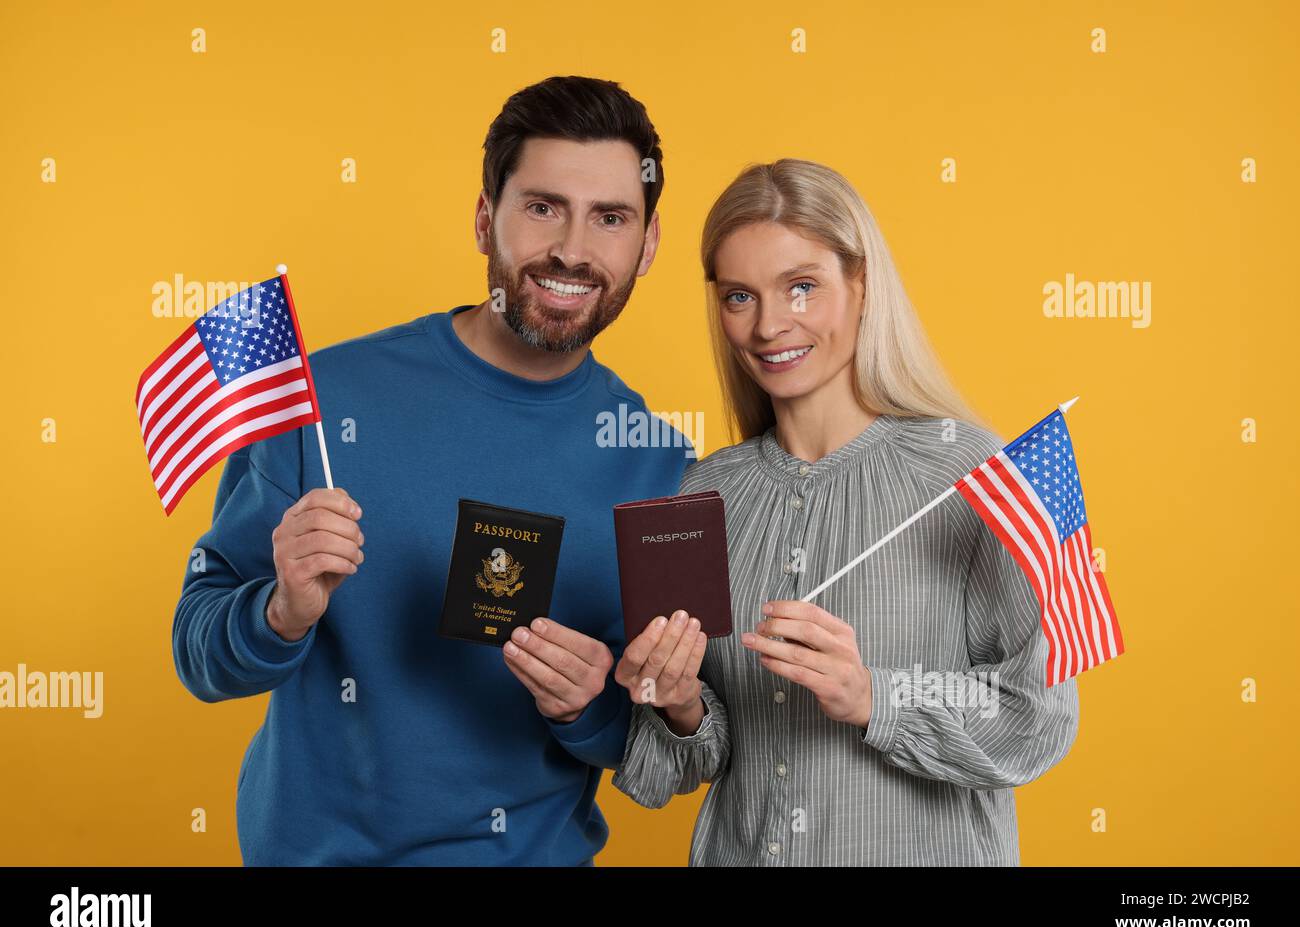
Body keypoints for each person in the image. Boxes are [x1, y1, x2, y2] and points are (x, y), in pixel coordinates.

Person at [172, 75, 691, 865]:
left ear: (647, 244)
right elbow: (197, 650)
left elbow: (661, 741)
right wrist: (280, 611)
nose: (573, 250)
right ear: (486, 218)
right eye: (543, 206)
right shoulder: (319, 400)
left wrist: (590, 706)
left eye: (611, 218)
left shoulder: (661, 464)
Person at [611, 158, 1080, 865]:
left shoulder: (973, 473)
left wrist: (873, 696)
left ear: (860, 285)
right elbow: (680, 766)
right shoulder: (701, 494)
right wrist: (677, 704)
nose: (770, 325)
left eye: (802, 287)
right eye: (740, 296)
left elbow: (1038, 716)